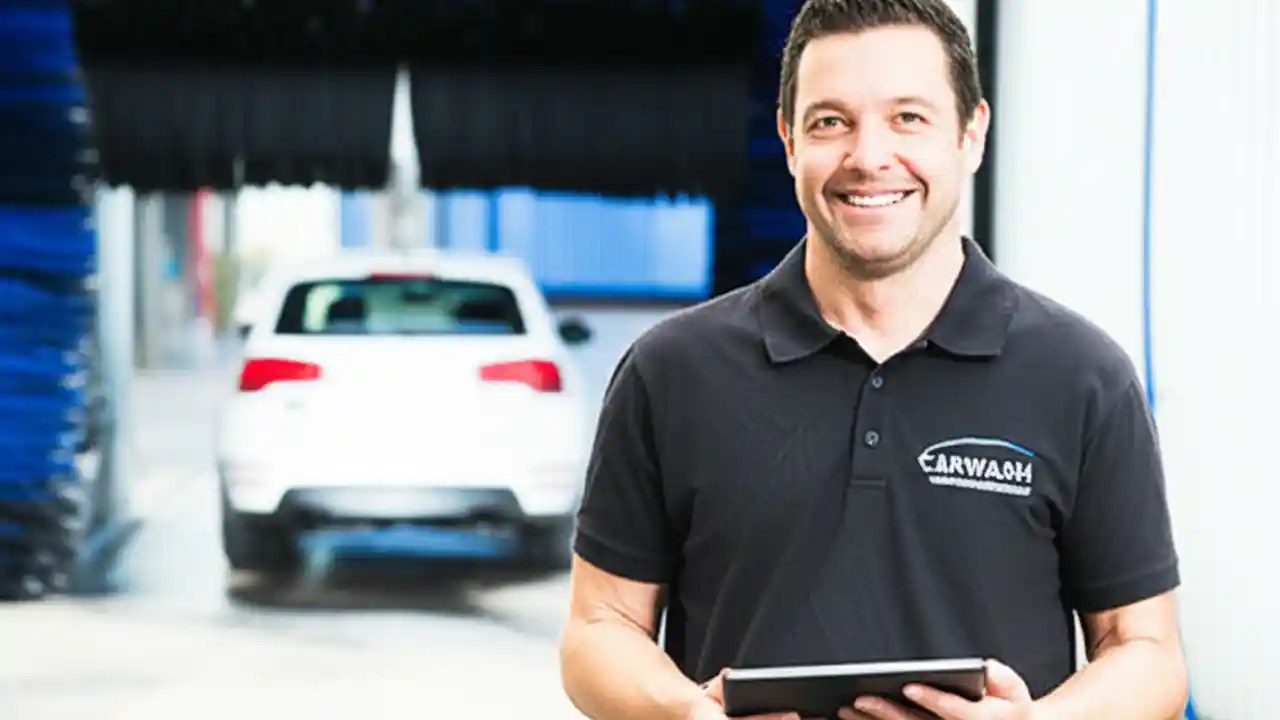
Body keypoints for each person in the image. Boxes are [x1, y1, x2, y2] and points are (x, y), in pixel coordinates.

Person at [559, 1, 1188, 718]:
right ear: (789, 140)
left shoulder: (1082, 376)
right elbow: (598, 630)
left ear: (971, 134)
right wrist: (689, 715)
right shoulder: (670, 372)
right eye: (831, 121)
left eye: (908, 118)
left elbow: (1147, 652)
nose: (868, 156)